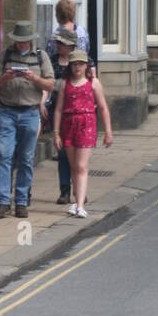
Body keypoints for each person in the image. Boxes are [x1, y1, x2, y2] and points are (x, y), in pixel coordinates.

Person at [0, 20, 54, 220]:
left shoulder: (41, 57)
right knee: (3, 155)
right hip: (7, 111)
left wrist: (34, 79)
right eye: (19, 41)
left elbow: (50, 84)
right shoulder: (4, 55)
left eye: (25, 42)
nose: (22, 45)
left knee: (26, 159)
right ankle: (4, 201)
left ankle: (22, 202)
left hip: (30, 112)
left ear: (31, 41)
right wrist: (4, 78)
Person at [53, 51, 112, 219]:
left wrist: (108, 131)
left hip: (87, 124)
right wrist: (56, 133)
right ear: (70, 66)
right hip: (68, 124)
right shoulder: (65, 84)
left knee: (81, 166)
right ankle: (76, 201)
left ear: (86, 65)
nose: (77, 67)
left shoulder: (94, 83)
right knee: (73, 166)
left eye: (80, 63)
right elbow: (58, 110)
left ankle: (80, 206)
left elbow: (103, 108)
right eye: (74, 64)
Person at [44, 28, 96, 205]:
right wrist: (43, 102)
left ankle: (79, 191)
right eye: (57, 42)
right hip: (59, 110)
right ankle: (65, 190)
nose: (57, 46)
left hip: (80, 113)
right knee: (63, 154)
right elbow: (47, 84)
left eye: (61, 43)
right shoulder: (51, 61)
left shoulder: (84, 61)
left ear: (70, 45)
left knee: (78, 158)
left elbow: (92, 83)